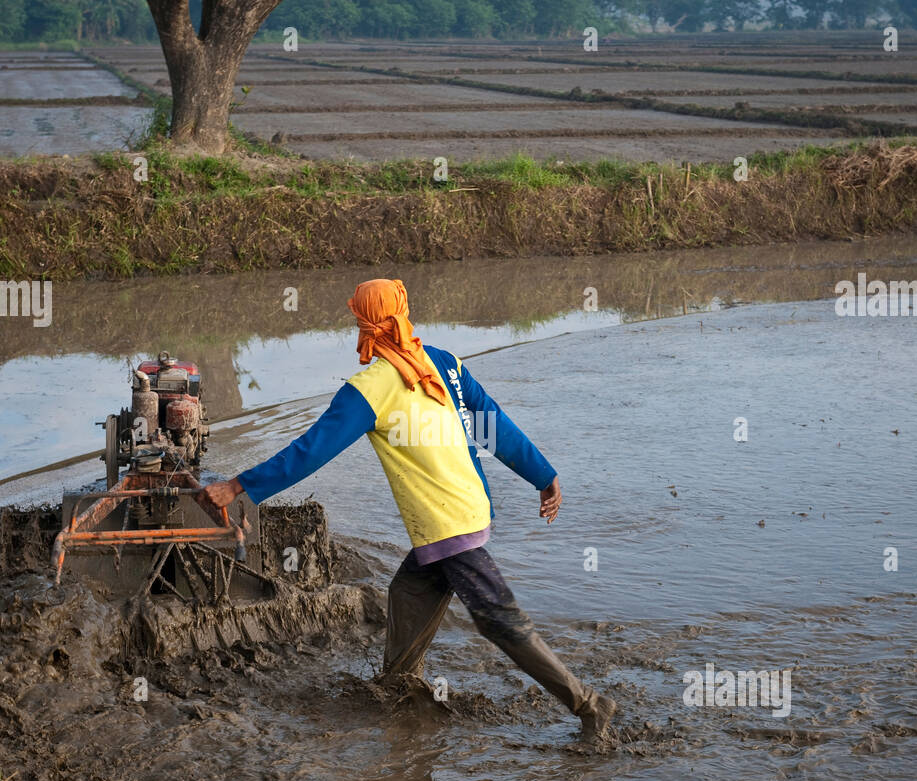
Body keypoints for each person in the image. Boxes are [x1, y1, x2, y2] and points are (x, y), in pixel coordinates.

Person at [201, 278, 618, 740]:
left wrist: (239, 485)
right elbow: (493, 425)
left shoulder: (371, 387)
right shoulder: (442, 363)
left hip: (448, 526)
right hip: (466, 511)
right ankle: (399, 692)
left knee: (498, 618)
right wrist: (543, 475)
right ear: (403, 311)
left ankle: (588, 705)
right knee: (407, 591)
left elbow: (311, 451)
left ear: (363, 322)